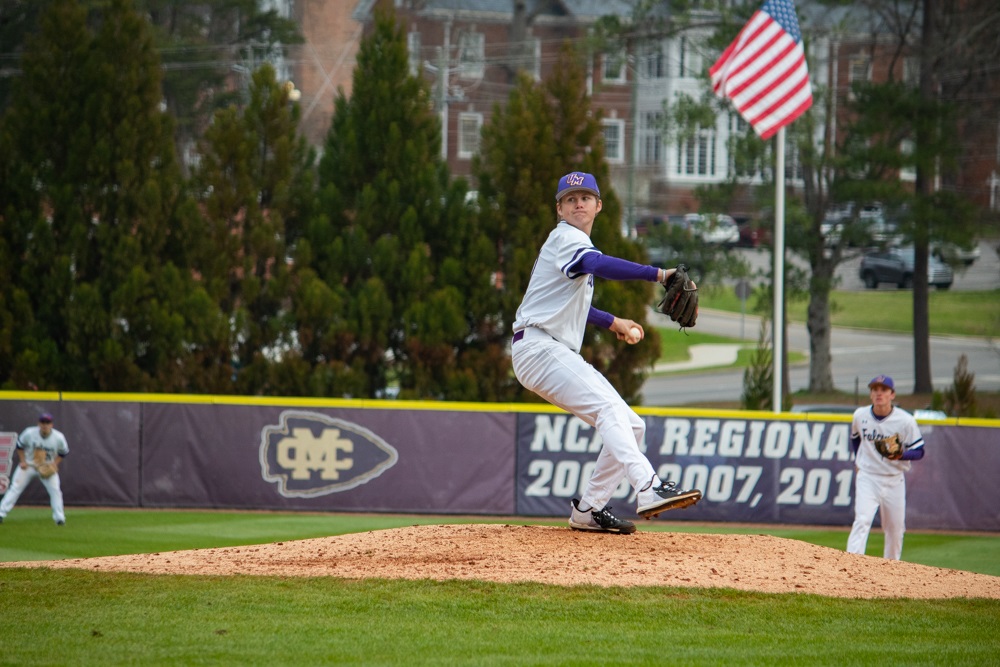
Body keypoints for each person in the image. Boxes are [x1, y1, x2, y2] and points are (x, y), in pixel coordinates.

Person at [510, 171, 702, 535]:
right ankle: (648, 487)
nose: (578, 203)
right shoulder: (566, 238)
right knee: (609, 410)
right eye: (570, 199)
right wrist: (659, 274)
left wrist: (613, 321)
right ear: (560, 210)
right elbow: (597, 264)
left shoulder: (571, 248)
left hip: (544, 347)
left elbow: (566, 305)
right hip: (539, 348)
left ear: (599, 205)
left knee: (631, 425)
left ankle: (589, 508)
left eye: (585, 197)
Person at [847, 375, 925, 560]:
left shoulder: (905, 421)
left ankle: (891, 569)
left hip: (894, 478)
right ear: (871, 394)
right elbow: (855, 439)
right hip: (868, 476)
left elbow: (919, 450)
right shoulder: (860, 415)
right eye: (875, 389)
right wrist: (858, 461)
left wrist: (902, 455)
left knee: (895, 529)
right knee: (862, 520)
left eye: (883, 390)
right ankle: (850, 563)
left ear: (892, 395)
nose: (878, 393)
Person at [0, 412, 70, 525]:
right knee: (15, 488)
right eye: (43, 422)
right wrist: (22, 461)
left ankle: (59, 519)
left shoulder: (58, 437)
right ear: (39, 423)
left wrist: (54, 464)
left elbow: (63, 453)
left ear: (51, 424)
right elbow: (20, 447)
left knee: (55, 491)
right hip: (29, 466)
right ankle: (1, 514)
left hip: (46, 467)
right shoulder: (29, 433)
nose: (45, 425)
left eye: (47, 422)